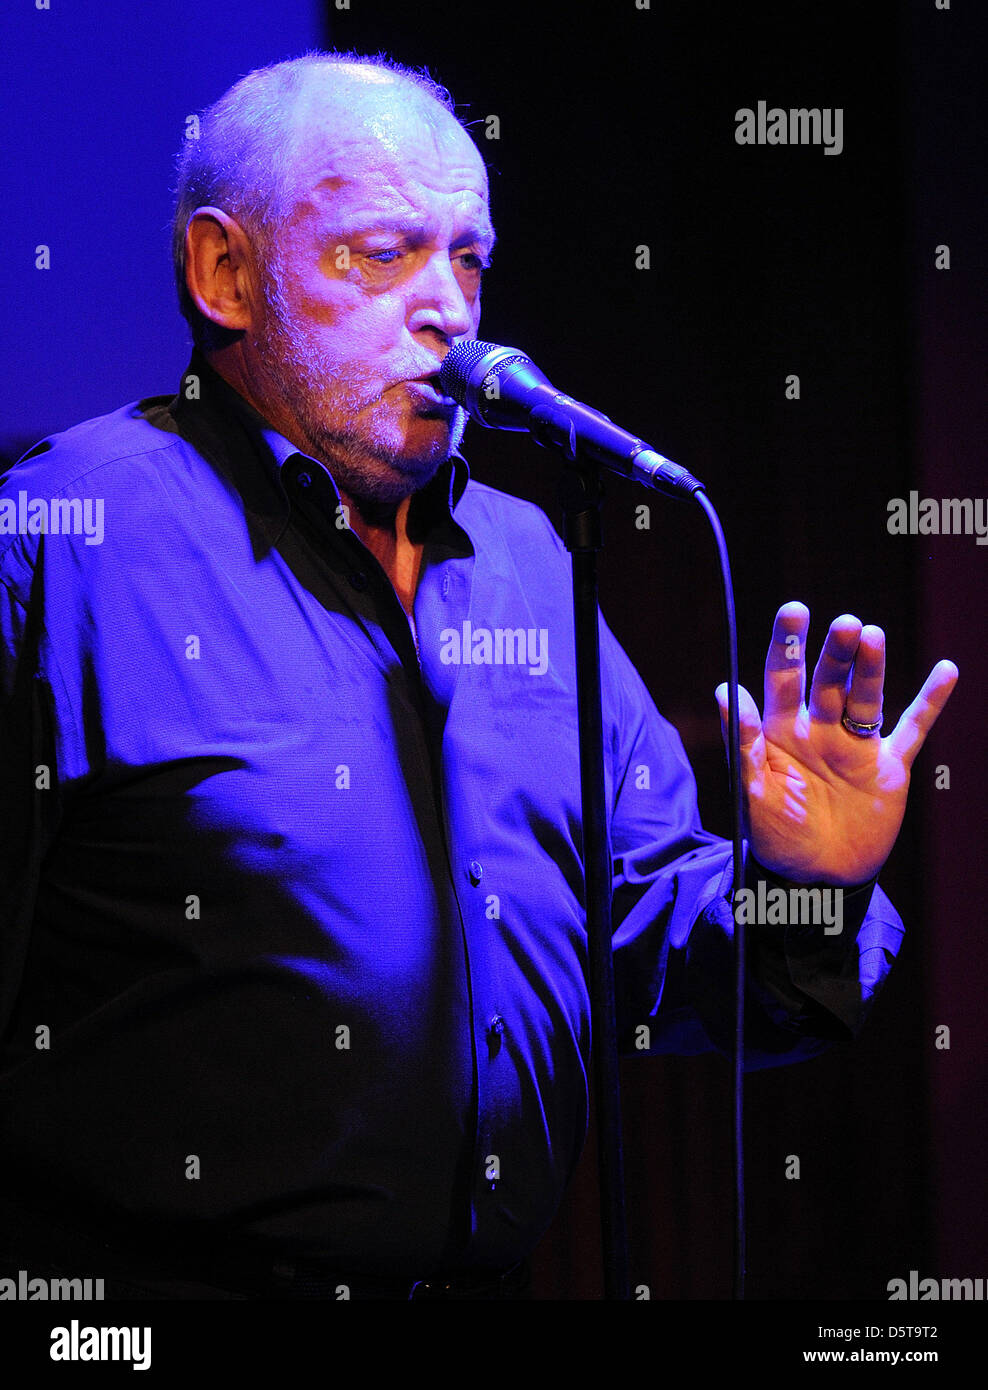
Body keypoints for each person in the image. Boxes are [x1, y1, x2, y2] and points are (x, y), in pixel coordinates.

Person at [0, 52, 957, 1300]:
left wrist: (802, 892)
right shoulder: (66, 540)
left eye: (467, 258)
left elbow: (664, 947)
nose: (448, 307)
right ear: (223, 274)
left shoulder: (523, 558)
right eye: (382, 254)